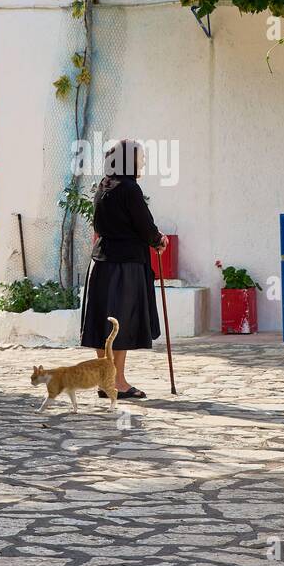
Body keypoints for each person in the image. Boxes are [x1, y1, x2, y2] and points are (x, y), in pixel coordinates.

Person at [80, 139, 168, 399]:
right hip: (125, 265)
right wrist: (158, 240)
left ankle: (106, 381)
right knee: (122, 322)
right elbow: (144, 224)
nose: (143, 162)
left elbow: (99, 225)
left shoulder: (103, 186)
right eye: (141, 157)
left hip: (101, 264)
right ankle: (117, 382)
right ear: (129, 160)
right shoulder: (130, 189)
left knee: (104, 323)